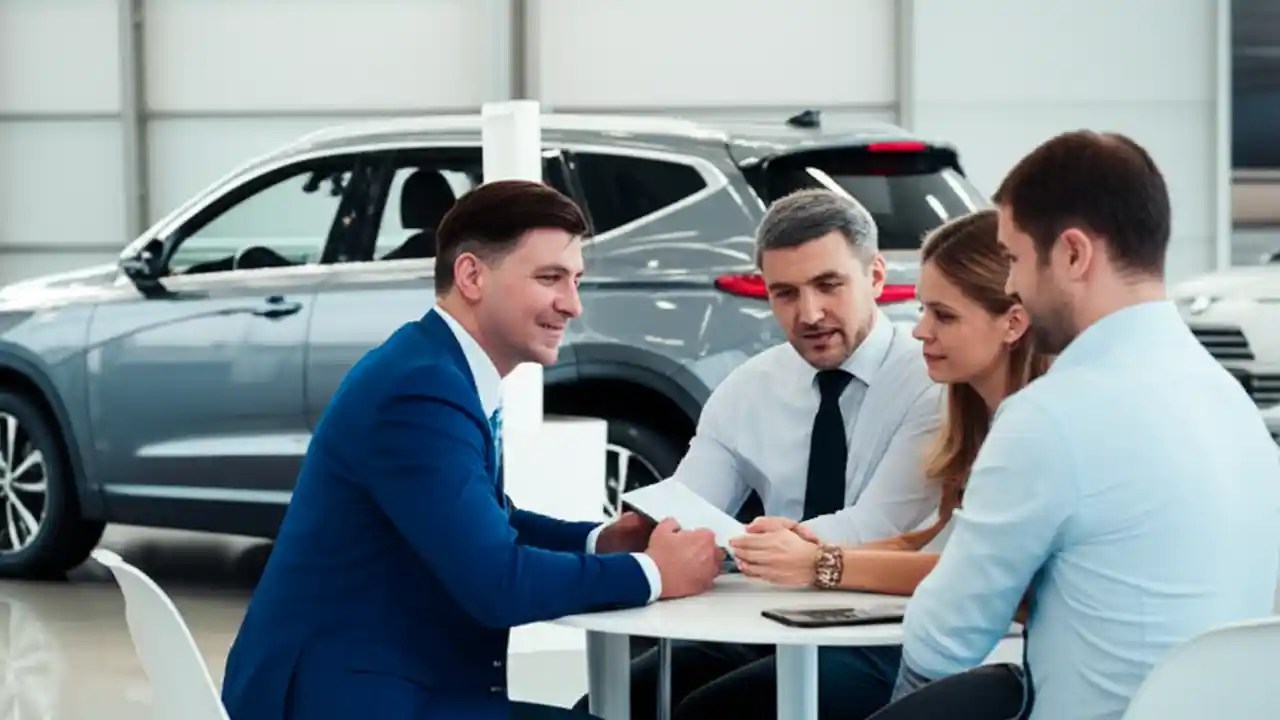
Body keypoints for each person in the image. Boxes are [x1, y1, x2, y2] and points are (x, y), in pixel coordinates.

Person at [220, 180, 724, 720]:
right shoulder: (421, 389)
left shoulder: (434, 366)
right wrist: (653, 573)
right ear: (472, 276)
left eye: (575, 280)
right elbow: (497, 583)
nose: (572, 305)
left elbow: (486, 523)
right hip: (346, 701)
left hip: (389, 687)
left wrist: (602, 540)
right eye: (549, 278)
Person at [873, 130, 1280, 720]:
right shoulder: (1234, 407)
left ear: (1072, 254)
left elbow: (943, 640)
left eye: (1014, 258)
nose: (1010, 285)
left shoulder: (1048, 417)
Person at [586, 188, 944, 719]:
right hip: (770, 619)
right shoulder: (749, 386)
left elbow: (879, 525)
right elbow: (689, 505)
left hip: (889, 629)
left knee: (708, 714)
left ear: (874, 277)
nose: (809, 313)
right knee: (611, 705)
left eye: (828, 285)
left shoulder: (931, 379)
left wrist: (757, 548)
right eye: (785, 293)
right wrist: (651, 527)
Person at [726, 208, 1051, 718]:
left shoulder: (1035, 427)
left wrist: (821, 564)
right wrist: (807, 544)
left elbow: (978, 575)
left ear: (1013, 322)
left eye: (943, 316)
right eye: (923, 310)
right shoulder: (969, 412)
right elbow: (930, 538)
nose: (920, 331)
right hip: (934, 643)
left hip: (997, 664)